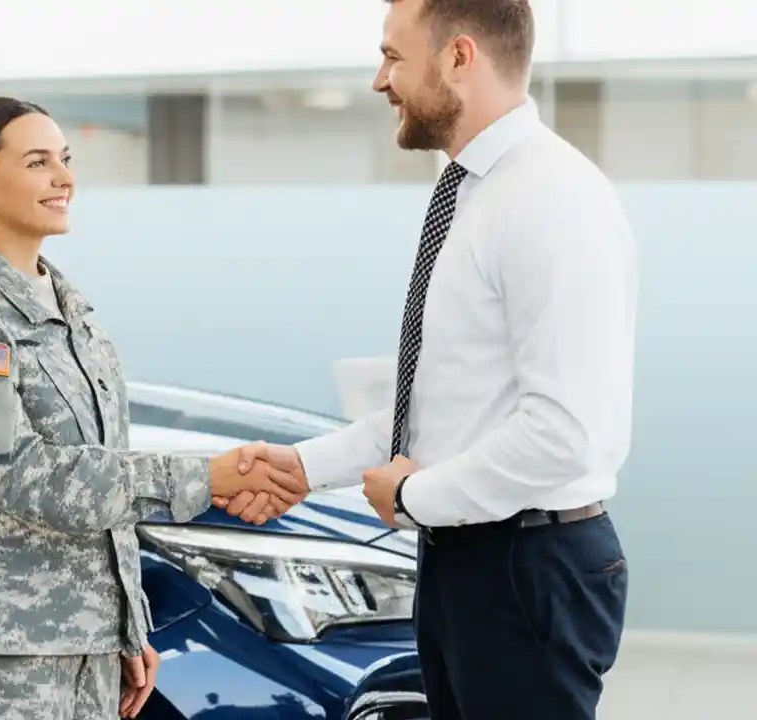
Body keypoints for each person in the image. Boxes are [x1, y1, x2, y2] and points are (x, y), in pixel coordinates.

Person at [219, 1, 637, 718]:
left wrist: (414, 499)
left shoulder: (551, 198)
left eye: (393, 56)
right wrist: (305, 469)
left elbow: (566, 434)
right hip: (470, 561)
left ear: (459, 58)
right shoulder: (473, 192)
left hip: (523, 564)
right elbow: (439, 407)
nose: (381, 79)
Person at [0, 96, 302, 720]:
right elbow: (30, 480)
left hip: (83, 646)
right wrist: (204, 478)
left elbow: (103, 473)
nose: (64, 178)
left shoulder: (71, 310)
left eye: (65, 158)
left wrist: (125, 623)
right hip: (0, 651)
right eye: (37, 162)